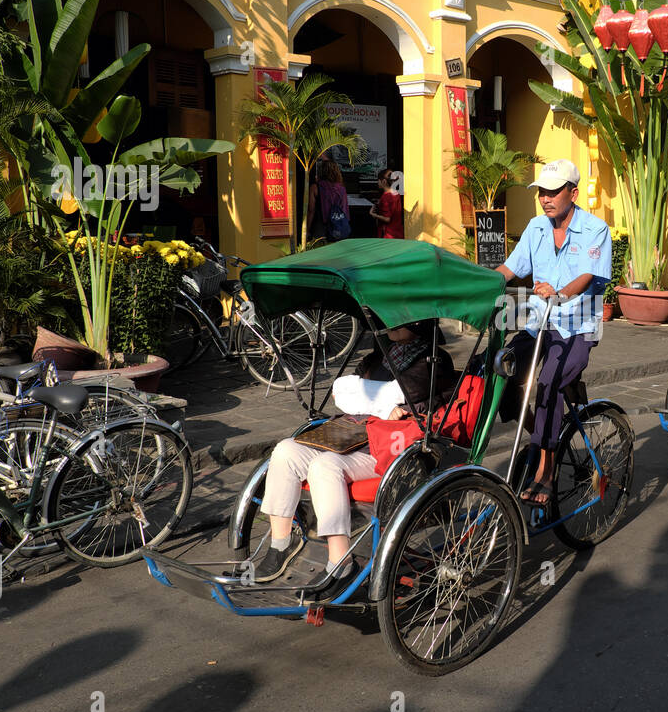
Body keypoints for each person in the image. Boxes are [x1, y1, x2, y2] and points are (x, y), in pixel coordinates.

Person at [254, 321, 456, 586]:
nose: (391, 325)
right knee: (285, 450)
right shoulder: (379, 357)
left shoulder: (434, 361)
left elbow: (399, 392)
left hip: (391, 447)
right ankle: (281, 544)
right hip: (352, 436)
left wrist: (366, 396)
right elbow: (341, 392)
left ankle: (340, 563)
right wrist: (382, 407)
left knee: (324, 466)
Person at [496, 159, 611, 505]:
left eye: (552, 192)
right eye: (541, 193)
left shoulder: (596, 229)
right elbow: (511, 268)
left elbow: (588, 276)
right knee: (501, 370)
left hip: (578, 325)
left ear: (572, 193)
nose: (545, 199)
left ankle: (545, 469)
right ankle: (545, 437)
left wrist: (561, 294)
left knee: (548, 384)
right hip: (538, 322)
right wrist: (479, 285)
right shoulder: (536, 228)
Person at [308, 159, 351, 243]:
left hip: (320, 228)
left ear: (321, 171)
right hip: (338, 228)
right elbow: (345, 210)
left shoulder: (315, 187)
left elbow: (311, 211)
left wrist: (307, 230)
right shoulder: (341, 188)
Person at [370, 168, 404, 239]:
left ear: (384, 181)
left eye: (378, 180)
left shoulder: (386, 196)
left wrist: (373, 214)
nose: (378, 182)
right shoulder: (396, 194)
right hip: (397, 232)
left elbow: (387, 219)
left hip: (388, 234)